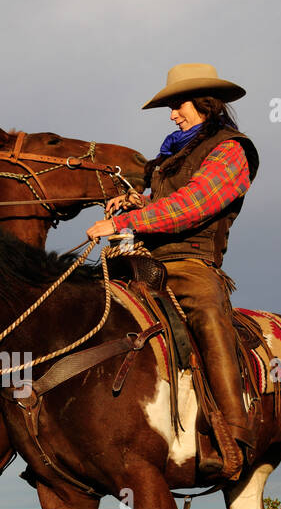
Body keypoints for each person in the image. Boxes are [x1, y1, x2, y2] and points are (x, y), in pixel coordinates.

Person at [86, 63, 260, 480]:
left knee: (205, 309)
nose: (172, 114)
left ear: (206, 103)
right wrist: (134, 204)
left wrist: (125, 224)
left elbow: (195, 204)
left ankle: (233, 435)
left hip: (191, 262)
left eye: (178, 105)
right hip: (145, 257)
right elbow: (164, 202)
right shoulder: (170, 156)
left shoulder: (231, 150)